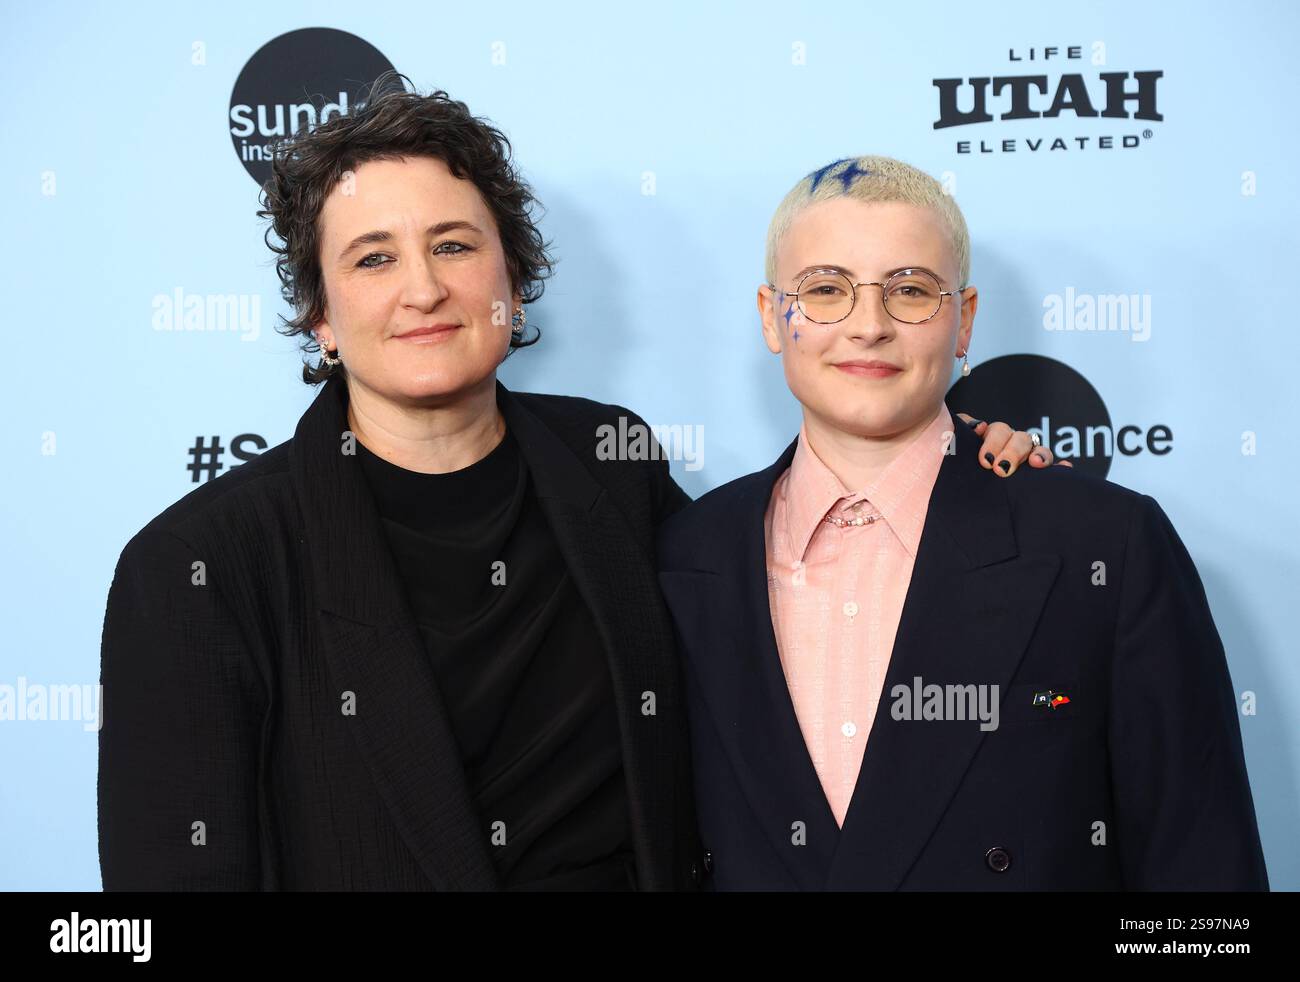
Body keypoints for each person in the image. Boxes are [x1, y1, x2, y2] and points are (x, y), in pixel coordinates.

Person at [96, 78, 1058, 891]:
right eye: (373, 258)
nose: (423, 288)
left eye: (456, 245)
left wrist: (950, 456)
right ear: (321, 316)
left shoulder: (610, 461)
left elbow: (781, 597)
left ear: (513, 281)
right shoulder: (202, 567)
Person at [656, 155, 1269, 891]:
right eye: (825, 291)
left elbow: (1203, 886)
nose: (869, 326)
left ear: (965, 319)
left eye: (910, 291)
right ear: (770, 317)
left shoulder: (1103, 545)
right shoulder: (687, 555)